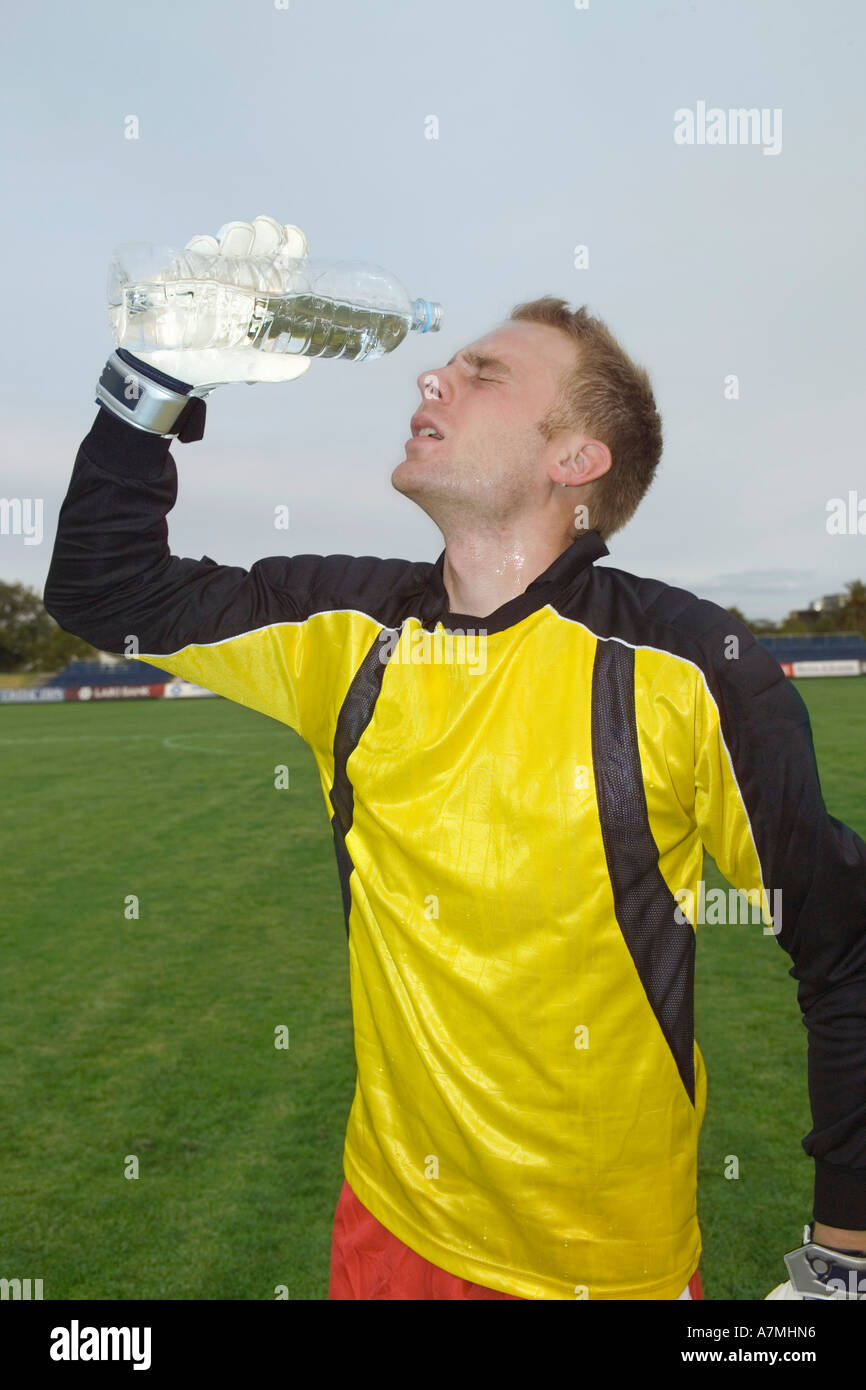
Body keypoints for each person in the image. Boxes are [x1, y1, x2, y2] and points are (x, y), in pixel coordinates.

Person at [44, 216, 866, 1301]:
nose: (433, 373)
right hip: (384, 1228)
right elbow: (105, 590)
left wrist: (843, 1260)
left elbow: (843, 951)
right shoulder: (343, 623)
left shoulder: (688, 667)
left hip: (599, 1272)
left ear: (573, 460)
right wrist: (150, 382)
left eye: (482, 373)